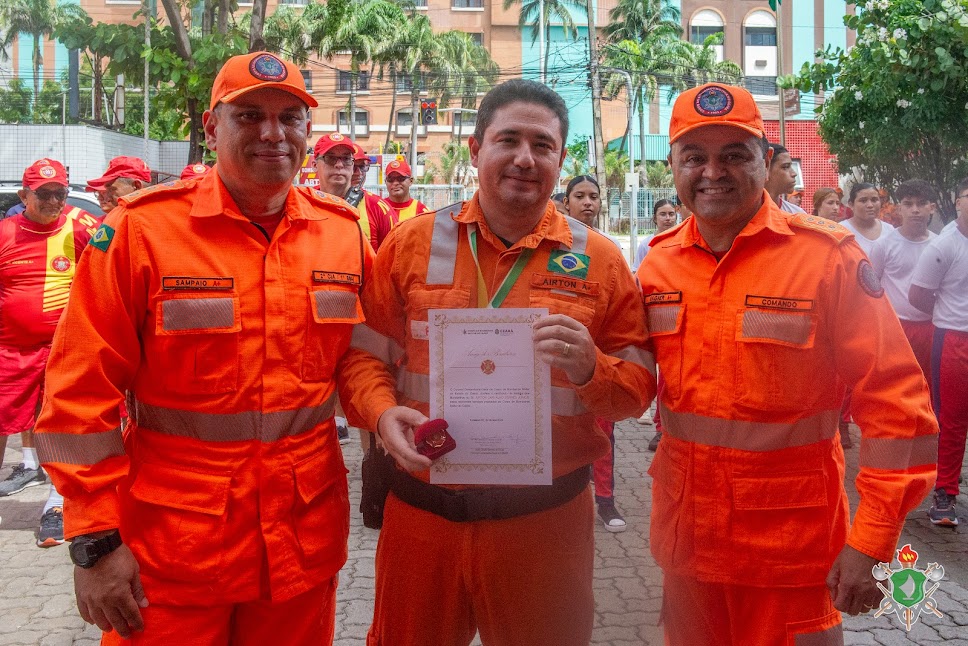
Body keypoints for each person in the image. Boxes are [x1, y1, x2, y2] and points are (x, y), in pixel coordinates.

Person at [34, 52, 375, 644]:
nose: (273, 133)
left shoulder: (342, 235)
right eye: (249, 116)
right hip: (173, 552)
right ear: (211, 129)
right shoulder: (142, 230)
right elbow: (78, 392)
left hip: (300, 542)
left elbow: (368, 362)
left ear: (307, 131)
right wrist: (94, 541)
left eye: (289, 117)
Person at [347, 79, 656, 645]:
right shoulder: (410, 245)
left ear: (560, 160)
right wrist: (381, 413)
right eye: (508, 140)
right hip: (423, 515)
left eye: (542, 145)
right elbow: (365, 356)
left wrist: (592, 369)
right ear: (475, 149)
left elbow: (637, 390)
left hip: (545, 525)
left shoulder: (600, 261)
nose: (524, 158)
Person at [638, 82, 937, 645]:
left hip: (791, 554)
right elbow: (630, 381)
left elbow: (898, 405)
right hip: (688, 547)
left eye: (734, 155)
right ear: (672, 166)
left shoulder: (827, 258)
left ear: (766, 160)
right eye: (694, 156)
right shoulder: (659, 264)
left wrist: (873, 539)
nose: (713, 172)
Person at [0, 158, 101, 549]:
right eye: (44, 194)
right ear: (24, 195)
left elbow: (108, 271)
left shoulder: (81, 227)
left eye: (60, 192)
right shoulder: (5, 232)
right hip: (10, 350)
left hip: (64, 350)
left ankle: (57, 506)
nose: (54, 201)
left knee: (59, 427)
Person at [562, 174, 629, 533]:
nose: (588, 202)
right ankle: (566, 499)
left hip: (597, 360)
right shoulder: (553, 246)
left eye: (593, 196)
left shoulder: (609, 248)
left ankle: (605, 500)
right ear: (566, 202)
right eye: (580, 196)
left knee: (603, 432)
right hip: (558, 360)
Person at [910, 176, 968, 527]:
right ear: (958, 202)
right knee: (952, 420)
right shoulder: (944, 246)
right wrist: (948, 315)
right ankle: (944, 493)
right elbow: (918, 295)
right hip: (954, 340)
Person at [869, 179, 937, 383]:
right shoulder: (883, 245)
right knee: (898, 384)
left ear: (932, 207)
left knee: (930, 384)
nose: (915, 210)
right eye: (908, 204)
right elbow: (872, 289)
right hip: (896, 328)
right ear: (899, 208)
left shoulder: (939, 245)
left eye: (921, 203)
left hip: (932, 327)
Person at [313, 133, 396, 251]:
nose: (339, 165)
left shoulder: (378, 208)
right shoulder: (304, 203)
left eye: (346, 159)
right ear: (314, 165)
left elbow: (397, 255)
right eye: (330, 158)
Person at [842, 182, 894, 256]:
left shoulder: (889, 230)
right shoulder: (842, 231)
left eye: (874, 200)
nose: (870, 205)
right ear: (851, 204)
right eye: (863, 201)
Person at [86, 156, 152, 213]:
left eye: (110, 189)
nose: (105, 197)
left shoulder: (150, 219)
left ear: (136, 186)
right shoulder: (118, 219)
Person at [634, 198, 677, 270]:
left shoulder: (683, 241)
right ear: (654, 218)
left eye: (671, 214)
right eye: (663, 214)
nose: (668, 218)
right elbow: (637, 271)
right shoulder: (646, 244)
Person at [765, 143, 806, 214]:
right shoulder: (746, 214)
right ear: (767, 168)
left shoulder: (797, 214)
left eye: (791, 166)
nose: (794, 173)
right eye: (786, 167)